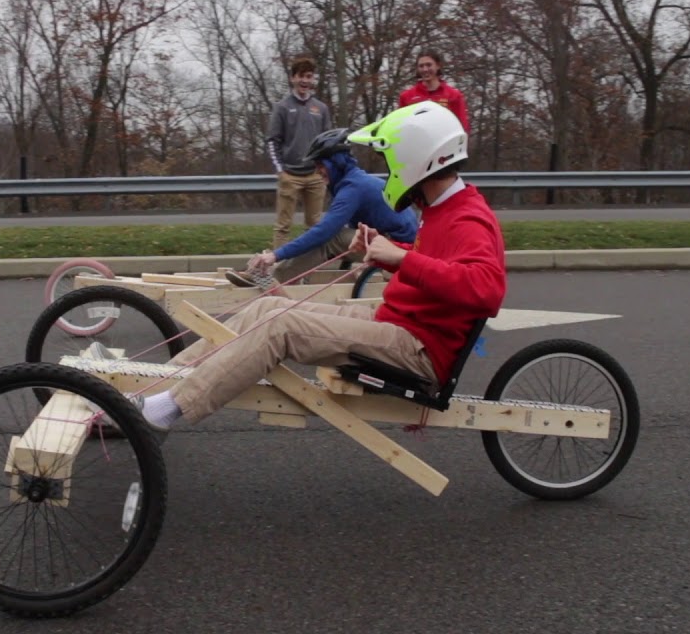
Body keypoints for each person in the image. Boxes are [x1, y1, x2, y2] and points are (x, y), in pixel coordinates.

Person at [135, 101, 507, 432]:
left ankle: (168, 407)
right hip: (395, 325)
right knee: (267, 307)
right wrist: (391, 252)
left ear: (420, 159)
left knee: (282, 326)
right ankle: (144, 386)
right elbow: (435, 272)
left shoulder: (468, 217)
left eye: (395, 160)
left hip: (417, 347)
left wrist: (402, 258)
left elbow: (486, 290)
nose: (392, 169)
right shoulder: (440, 208)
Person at [226, 127, 419, 289]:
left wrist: (275, 255)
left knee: (330, 238)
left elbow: (324, 233)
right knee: (333, 235)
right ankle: (278, 275)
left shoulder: (353, 189)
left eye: (320, 164)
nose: (317, 171)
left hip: (403, 249)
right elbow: (356, 231)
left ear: (335, 163)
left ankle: (273, 279)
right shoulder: (353, 182)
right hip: (399, 244)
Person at [266, 56, 333, 249]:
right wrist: (281, 171)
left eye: (309, 77)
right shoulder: (282, 107)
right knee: (283, 226)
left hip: (315, 176)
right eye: (301, 76)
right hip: (290, 175)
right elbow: (272, 140)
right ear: (293, 78)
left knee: (314, 227)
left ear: (313, 80)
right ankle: (278, 270)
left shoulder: (321, 108)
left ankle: (308, 269)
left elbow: (327, 141)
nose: (305, 81)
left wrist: (325, 170)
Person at [397, 50, 470, 134]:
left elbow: (462, 127)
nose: (425, 69)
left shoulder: (454, 95)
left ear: (438, 66)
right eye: (421, 66)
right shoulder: (406, 96)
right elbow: (401, 127)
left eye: (429, 65)